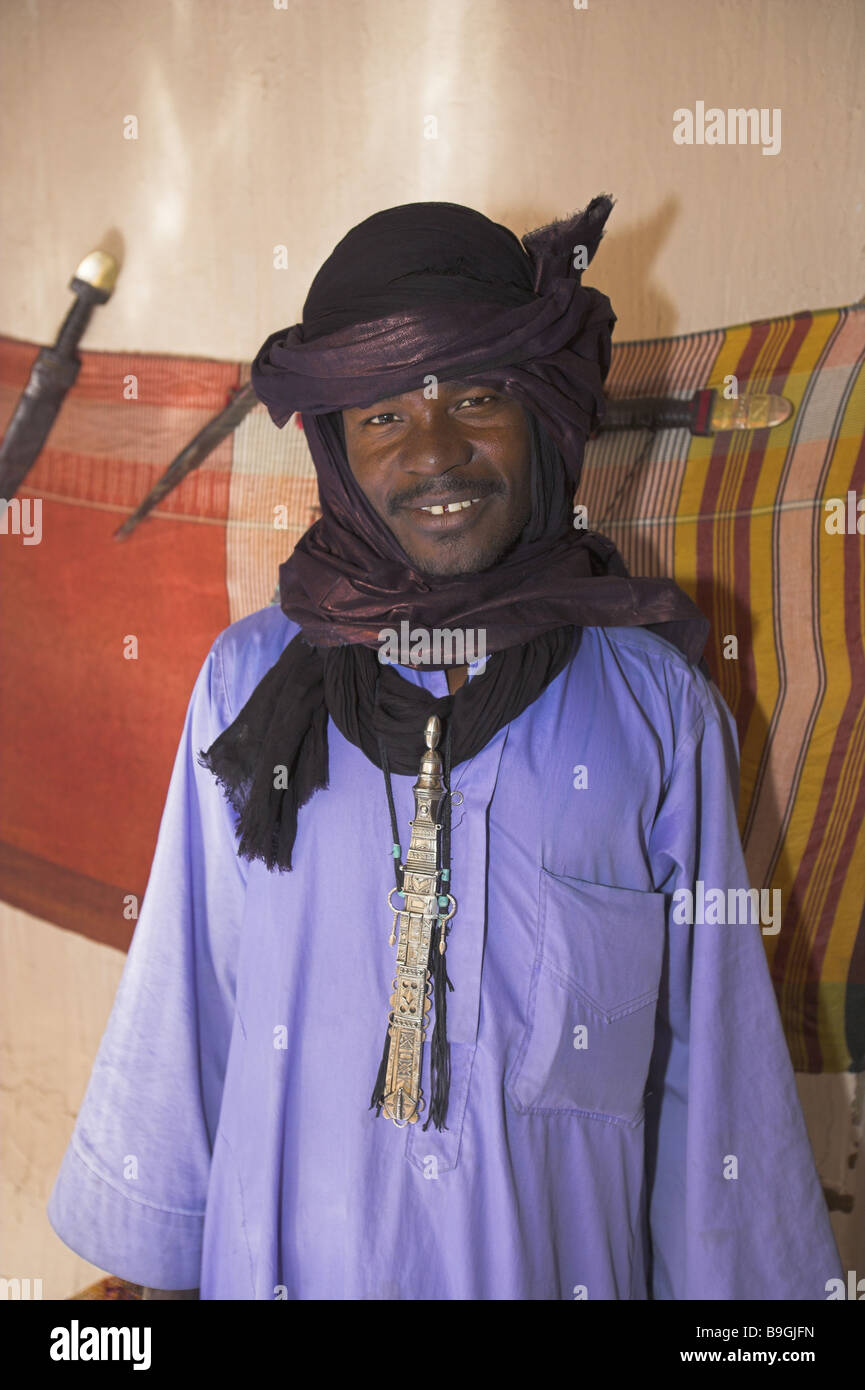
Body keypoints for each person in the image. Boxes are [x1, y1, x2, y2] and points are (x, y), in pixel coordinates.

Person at [47, 197, 842, 1300]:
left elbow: (713, 1084)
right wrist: (140, 1287)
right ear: (333, 444)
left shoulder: (655, 709)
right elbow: (193, 1007)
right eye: (382, 414)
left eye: (476, 397)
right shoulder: (248, 686)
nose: (434, 453)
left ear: (545, 418)